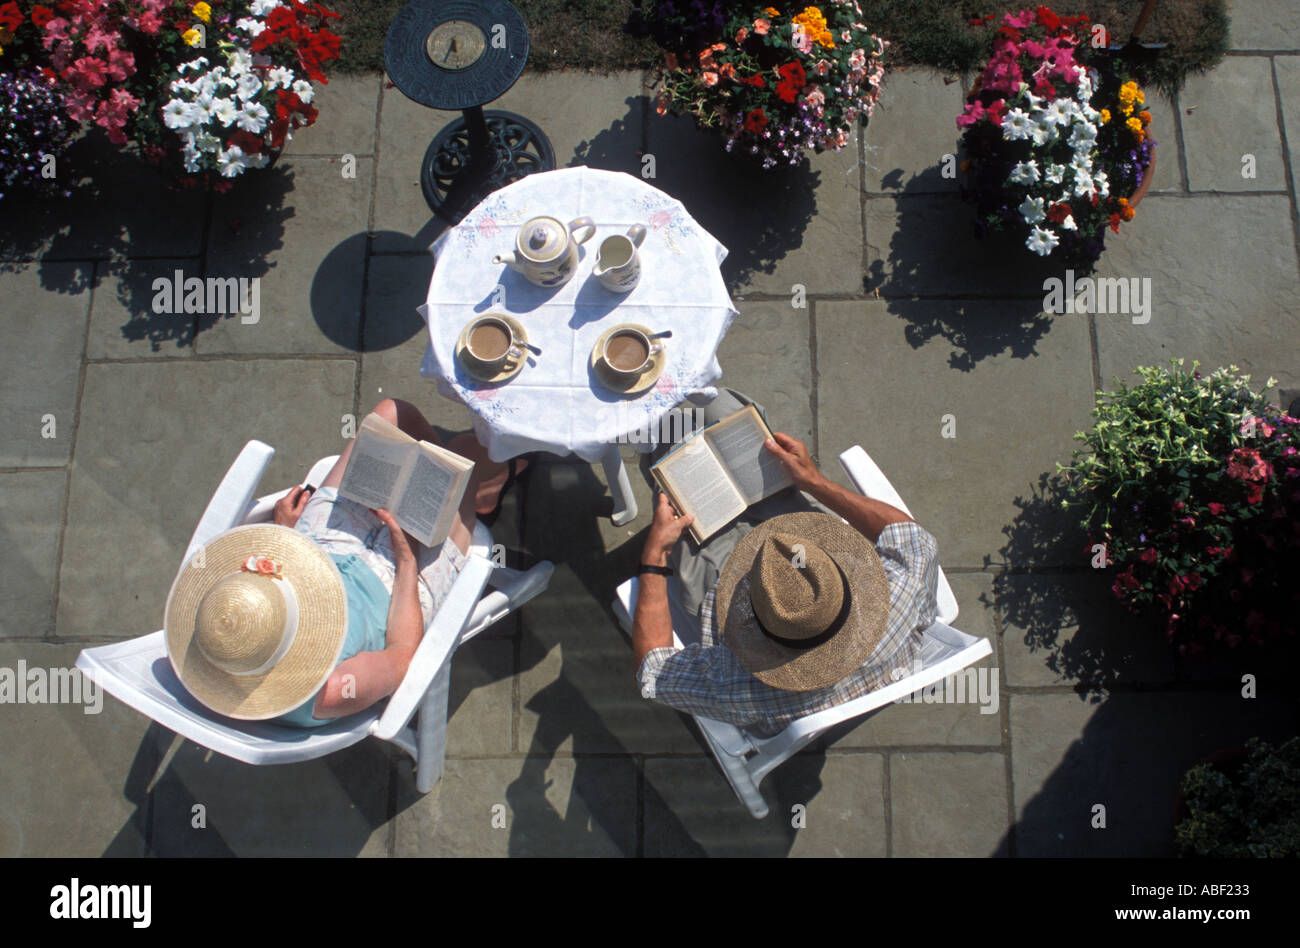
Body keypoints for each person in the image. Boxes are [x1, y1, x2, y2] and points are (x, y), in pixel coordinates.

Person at [164, 398, 522, 727]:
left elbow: (258, 594)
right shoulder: (332, 689)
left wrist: (285, 534)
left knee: (392, 415)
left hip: (316, 549)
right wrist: (407, 558)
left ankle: (456, 477)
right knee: (473, 450)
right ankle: (475, 488)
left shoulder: (220, 625)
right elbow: (402, 656)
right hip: (397, 590)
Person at [631, 390, 940, 737]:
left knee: (667, 434)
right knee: (721, 412)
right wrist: (814, 481)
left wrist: (654, 556)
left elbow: (653, 672)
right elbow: (910, 537)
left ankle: (644, 408)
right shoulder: (897, 603)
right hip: (801, 554)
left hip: (726, 579)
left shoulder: (736, 684)